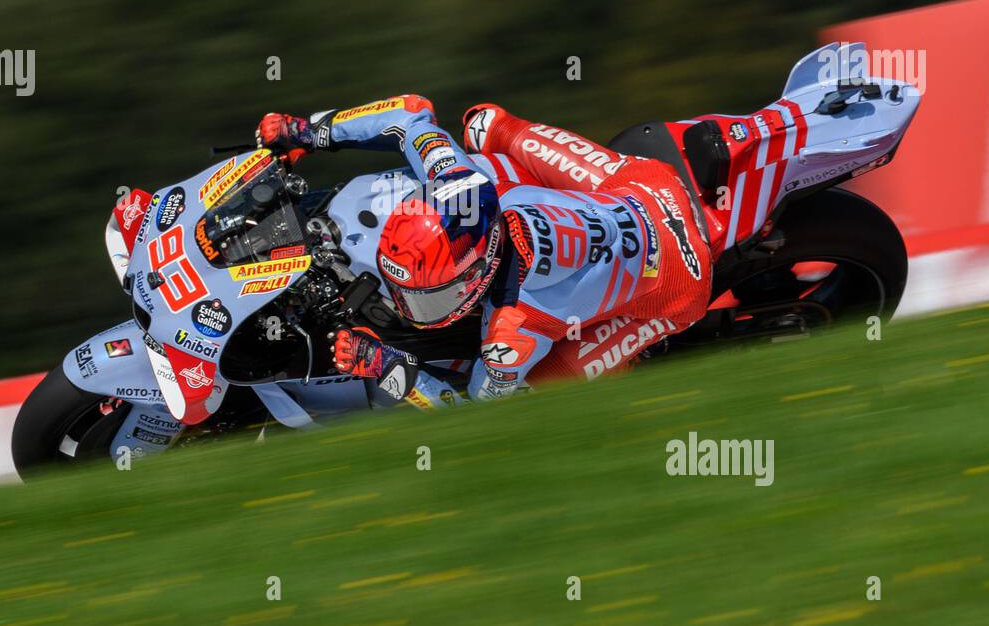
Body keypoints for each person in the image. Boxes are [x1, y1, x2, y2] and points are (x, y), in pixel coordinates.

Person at [256, 95, 714, 406]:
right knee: (488, 124)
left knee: (534, 395)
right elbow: (409, 113)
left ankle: (634, 360)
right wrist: (307, 132)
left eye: (427, 297)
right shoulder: (461, 185)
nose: (410, 308)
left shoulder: (510, 331)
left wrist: (383, 363)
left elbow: (475, 411)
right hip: (645, 187)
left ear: (476, 272)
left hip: (677, 285)